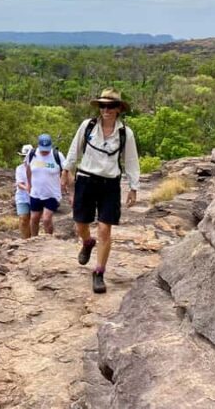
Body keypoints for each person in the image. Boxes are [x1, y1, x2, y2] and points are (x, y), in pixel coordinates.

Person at [61, 89, 140, 294]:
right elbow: (74, 148)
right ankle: (87, 242)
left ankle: (99, 272)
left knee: (105, 229)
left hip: (110, 184)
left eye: (111, 106)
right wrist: (66, 170)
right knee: (81, 223)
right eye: (103, 106)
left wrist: (134, 187)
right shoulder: (88, 126)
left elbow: (131, 160)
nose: (106, 110)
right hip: (86, 179)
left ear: (118, 110)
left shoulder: (125, 133)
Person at [25, 133, 64, 236]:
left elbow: (66, 171)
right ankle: (34, 239)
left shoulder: (57, 155)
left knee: (46, 219)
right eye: (43, 149)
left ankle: (48, 240)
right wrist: (29, 184)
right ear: (38, 145)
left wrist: (68, 189)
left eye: (47, 149)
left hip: (52, 193)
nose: (45, 151)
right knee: (34, 218)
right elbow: (28, 168)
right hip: (36, 192)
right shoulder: (32, 154)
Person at [15, 144, 33, 239]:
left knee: (34, 219)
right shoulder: (19, 168)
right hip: (22, 196)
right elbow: (19, 183)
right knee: (23, 218)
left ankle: (33, 239)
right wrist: (27, 188)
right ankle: (25, 239)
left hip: (35, 197)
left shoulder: (39, 166)